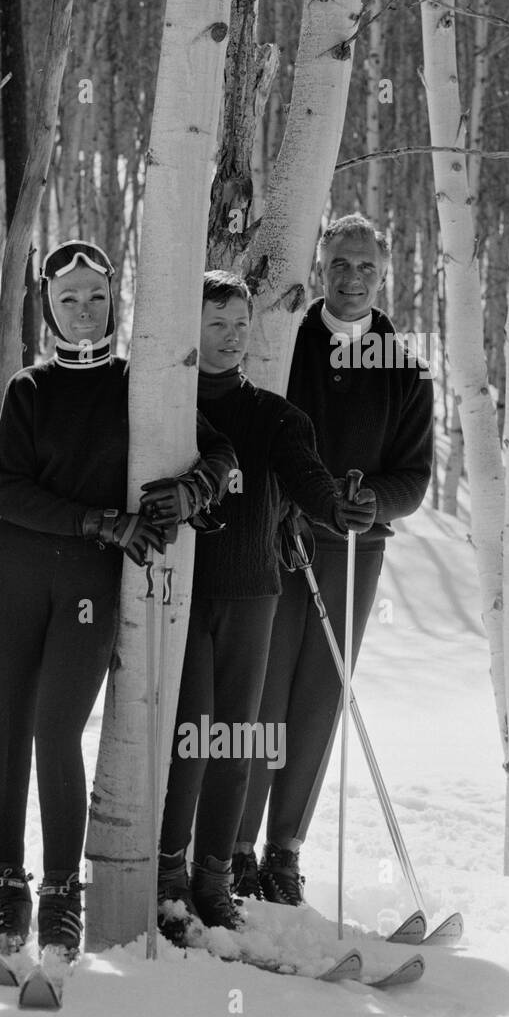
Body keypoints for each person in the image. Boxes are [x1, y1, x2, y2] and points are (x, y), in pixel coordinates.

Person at [0, 239, 237, 960]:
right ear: (48, 309)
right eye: (67, 300)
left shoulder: (139, 383)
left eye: (95, 297)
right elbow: (11, 493)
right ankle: (6, 886)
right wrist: (99, 521)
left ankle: (60, 892)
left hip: (89, 588)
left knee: (56, 733)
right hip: (11, 577)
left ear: (114, 299)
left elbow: (222, 455)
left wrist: (190, 492)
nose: (83, 313)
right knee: (3, 730)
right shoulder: (28, 388)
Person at [156, 272, 372, 941]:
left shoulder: (276, 415)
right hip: (183, 595)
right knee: (190, 737)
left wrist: (338, 505)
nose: (231, 338)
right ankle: (166, 876)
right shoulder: (163, 405)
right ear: (191, 328)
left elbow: (306, 477)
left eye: (240, 325)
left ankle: (214, 877)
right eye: (217, 324)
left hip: (253, 596)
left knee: (235, 743)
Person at [234, 214, 433, 904]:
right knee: (265, 695)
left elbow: (413, 475)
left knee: (319, 698)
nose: (352, 280)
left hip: (355, 548)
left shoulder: (403, 365)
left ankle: (284, 850)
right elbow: (260, 436)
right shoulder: (289, 343)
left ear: (383, 273)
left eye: (365, 268)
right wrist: (284, 506)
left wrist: (372, 503)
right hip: (280, 539)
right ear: (320, 269)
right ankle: (236, 848)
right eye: (339, 265)